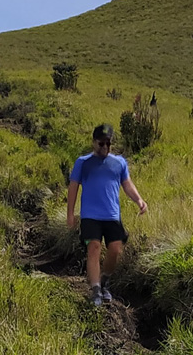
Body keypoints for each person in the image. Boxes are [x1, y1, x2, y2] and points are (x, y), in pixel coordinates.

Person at [67, 123, 148, 306]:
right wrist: (70, 214)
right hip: (90, 215)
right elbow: (73, 188)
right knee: (94, 247)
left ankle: (104, 281)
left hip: (112, 215)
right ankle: (95, 289)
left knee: (116, 250)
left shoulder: (119, 163)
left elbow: (127, 184)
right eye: (101, 143)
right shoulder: (83, 163)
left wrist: (139, 200)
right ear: (93, 142)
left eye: (108, 143)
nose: (104, 147)